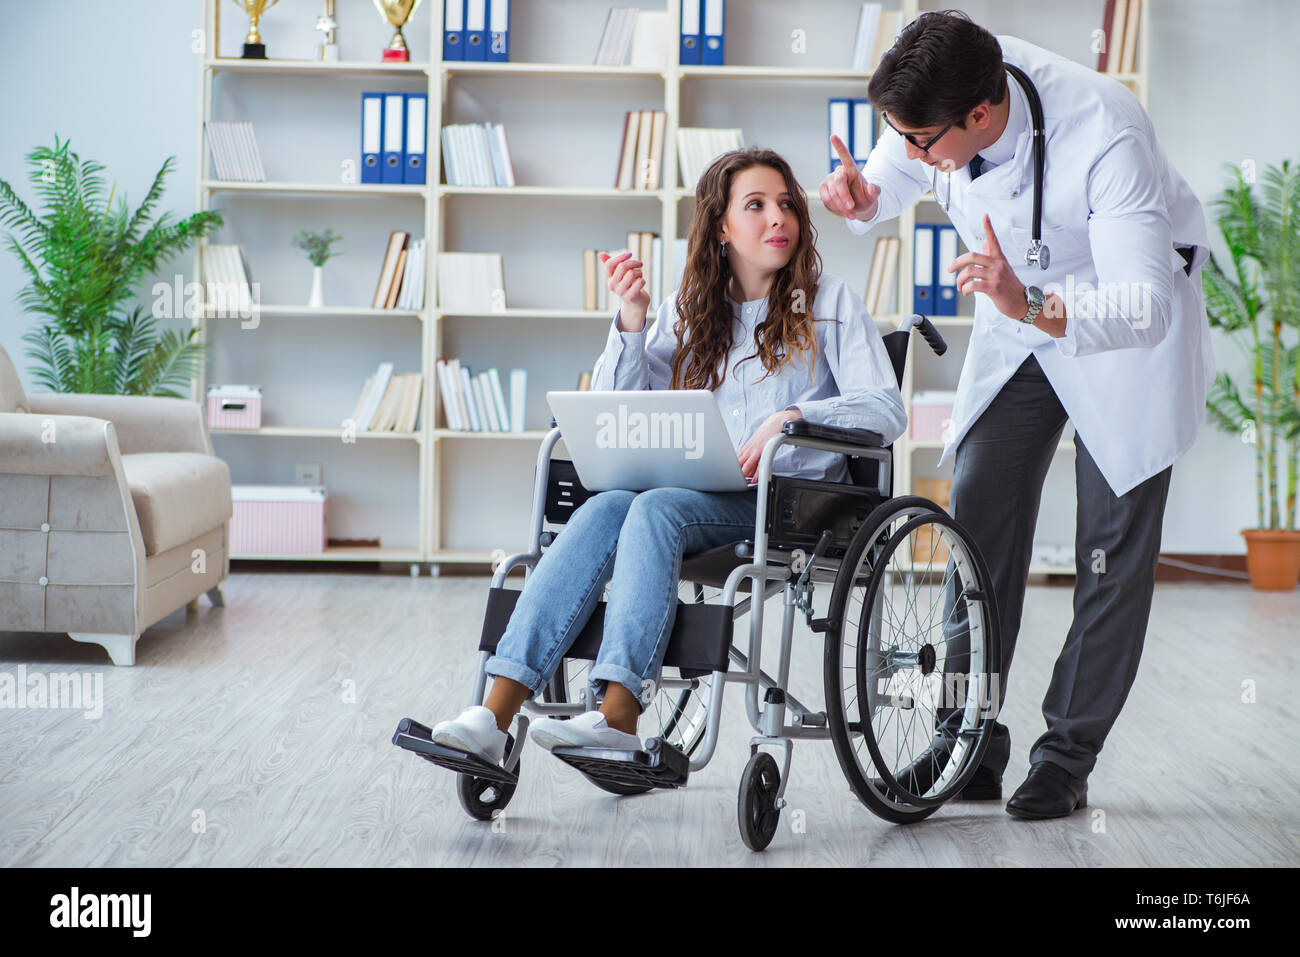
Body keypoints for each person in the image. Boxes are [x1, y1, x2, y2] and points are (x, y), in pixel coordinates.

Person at [819, 11, 1213, 818]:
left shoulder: (1106, 130)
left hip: (1116, 326)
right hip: (1016, 316)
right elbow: (898, 170)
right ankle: (970, 740)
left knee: (1111, 549)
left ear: (981, 116)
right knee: (979, 519)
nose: (910, 151)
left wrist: (1029, 299)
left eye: (921, 141)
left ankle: (1066, 756)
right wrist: (863, 198)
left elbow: (1141, 305)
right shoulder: (939, 96)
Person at [430, 147, 906, 764]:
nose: (777, 219)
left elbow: (884, 409)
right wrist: (630, 322)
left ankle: (619, 715)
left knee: (653, 509)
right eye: (755, 206)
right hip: (694, 495)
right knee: (605, 511)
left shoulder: (830, 303)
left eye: (787, 204)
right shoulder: (690, 311)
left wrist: (794, 415)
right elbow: (614, 412)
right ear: (720, 226)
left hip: (790, 508)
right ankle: (493, 716)